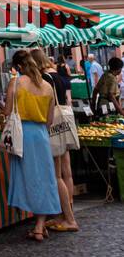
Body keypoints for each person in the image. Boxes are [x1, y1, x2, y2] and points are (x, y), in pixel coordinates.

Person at [4, 50, 60, 242]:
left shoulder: (16, 82)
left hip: (22, 135)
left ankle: (36, 225)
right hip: (41, 135)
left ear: (19, 67)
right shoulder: (47, 86)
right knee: (44, 179)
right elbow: (50, 120)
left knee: (26, 178)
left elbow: (7, 111)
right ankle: (39, 226)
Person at [32, 51, 78, 234]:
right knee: (66, 173)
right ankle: (65, 213)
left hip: (53, 127)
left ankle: (69, 218)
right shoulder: (57, 75)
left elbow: (47, 104)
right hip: (63, 127)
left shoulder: (44, 78)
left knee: (57, 176)